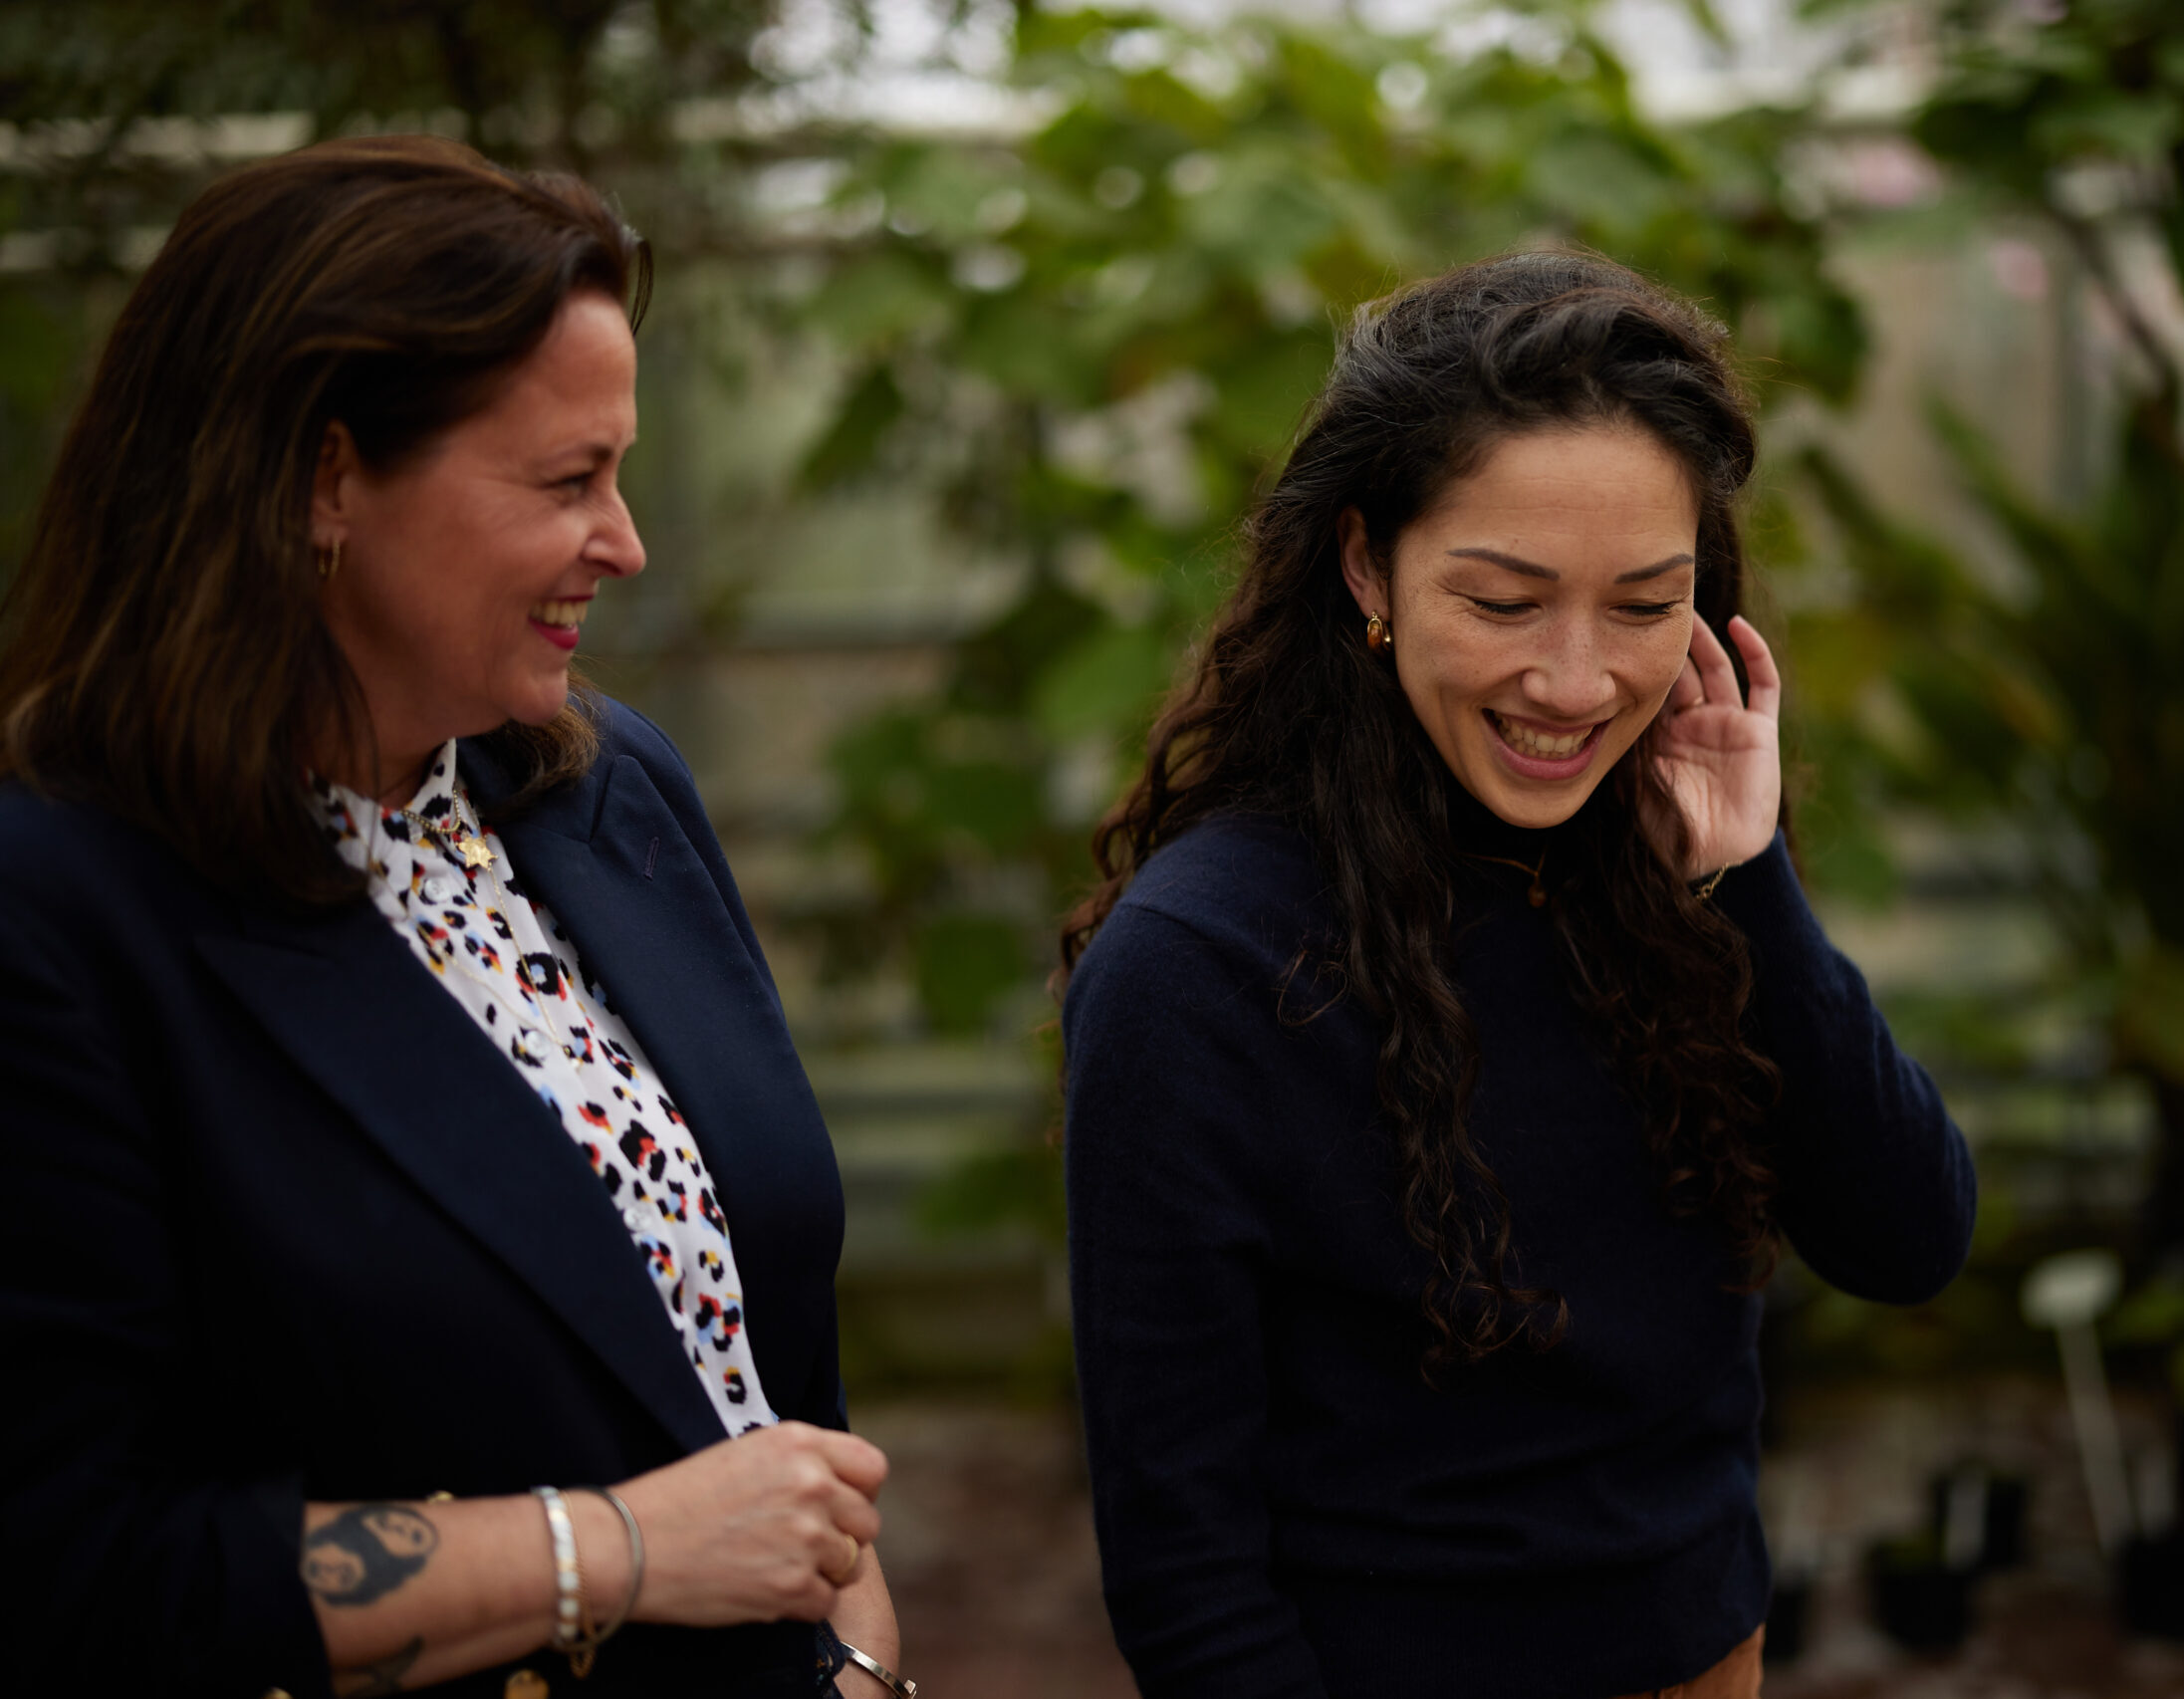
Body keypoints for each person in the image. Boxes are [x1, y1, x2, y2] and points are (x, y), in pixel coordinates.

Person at [0, 136, 914, 1699]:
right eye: (566, 481)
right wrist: (613, 1546)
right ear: (321, 478)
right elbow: (67, 1566)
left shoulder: (606, 788)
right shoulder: (60, 915)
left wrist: (859, 1673)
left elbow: (769, 1394)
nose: (625, 542)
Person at [1059, 251, 1976, 1699]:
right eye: (1502, 601)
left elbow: (1908, 1237)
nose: (1573, 681)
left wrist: (1750, 890)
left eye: (1640, 604)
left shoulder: (1662, 866)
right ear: (1365, 565)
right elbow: (1184, 1559)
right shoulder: (1199, 964)